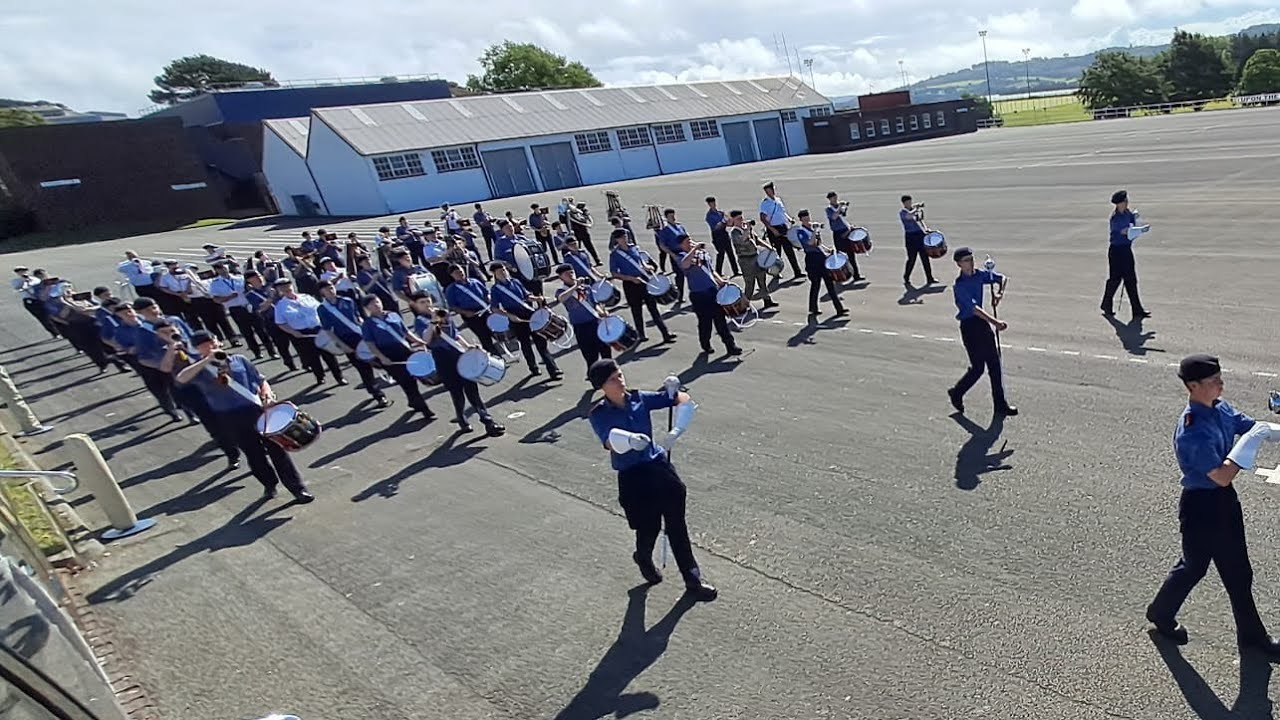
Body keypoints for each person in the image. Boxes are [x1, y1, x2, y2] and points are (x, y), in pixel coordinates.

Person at [1145, 354, 1280, 656]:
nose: (1221, 384)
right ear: (1192, 386)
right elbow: (1220, 475)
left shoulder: (1220, 407)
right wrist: (1240, 456)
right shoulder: (1192, 430)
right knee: (1194, 568)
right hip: (1201, 507)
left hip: (1224, 502)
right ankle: (1161, 612)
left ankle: (1252, 638)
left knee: (1239, 572)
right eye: (1213, 381)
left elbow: (1251, 427)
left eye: (1220, 378)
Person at [585, 359, 717, 601]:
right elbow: (608, 441)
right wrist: (627, 440)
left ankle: (693, 580)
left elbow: (681, 400)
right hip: (633, 477)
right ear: (601, 386)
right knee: (649, 527)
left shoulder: (639, 398)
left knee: (677, 525)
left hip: (658, 467)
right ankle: (643, 556)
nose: (620, 380)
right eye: (613, 379)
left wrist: (674, 400)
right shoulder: (599, 414)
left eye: (620, 374)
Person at [175, 331, 314, 503]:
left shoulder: (239, 360)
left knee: (277, 450)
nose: (211, 345)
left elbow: (260, 380)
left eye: (212, 341)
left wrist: (268, 395)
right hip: (230, 416)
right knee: (254, 454)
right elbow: (181, 379)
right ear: (197, 349)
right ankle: (269, 484)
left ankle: (298, 489)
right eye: (204, 344)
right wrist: (206, 360)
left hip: (256, 410)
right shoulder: (200, 370)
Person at [413, 303, 506, 436]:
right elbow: (426, 340)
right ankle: (462, 418)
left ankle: (488, 422)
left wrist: (468, 346)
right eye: (422, 302)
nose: (427, 305)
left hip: (459, 356)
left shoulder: (443, 313)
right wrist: (433, 321)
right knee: (457, 394)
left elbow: (455, 335)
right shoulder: (420, 321)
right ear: (416, 306)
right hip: (443, 360)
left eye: (428, 301)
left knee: (472, 391)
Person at [946, 247, 1016, 416]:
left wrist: (999, 294)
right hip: (970, 327)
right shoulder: (959, 285)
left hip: (982, 324)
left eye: (971, 258)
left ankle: (1000, 404)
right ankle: (957, 392)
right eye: (966, 260)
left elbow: (1002, 278)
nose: (970, 262)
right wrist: (995, 322)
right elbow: (974, 309)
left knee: (994, 364)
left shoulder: (979, 275)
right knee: (978, 368)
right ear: (959, 264)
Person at [360, 294, 436, 420]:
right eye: (372, 304)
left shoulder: (392, 315)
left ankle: (414, 402)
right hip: (388, 354)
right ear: (367, 308)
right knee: (406, 381)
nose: (377, 305)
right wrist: (381, 357)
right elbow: (370, 344)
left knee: (415, 376)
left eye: (378, 302)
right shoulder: (368, 324)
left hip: (404, 349)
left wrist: (420, 342)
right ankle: (424, 409)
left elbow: (406, 332)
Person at [317, 281, 392, 408]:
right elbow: (328, 330)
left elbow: (358, 318)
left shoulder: (347, 301)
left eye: (331, 287)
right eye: (326, 289)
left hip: (360, 335)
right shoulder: (323, 309)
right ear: (322, 292)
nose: (330, 290)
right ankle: (378, 395)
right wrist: (342, 345)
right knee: (363, 368)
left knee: (380, 359)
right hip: (346, 340)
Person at [488, 262, 562, 380]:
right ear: (494, 274)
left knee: (541, 341)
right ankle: (533, 367)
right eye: (500, 271)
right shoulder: (495, 289)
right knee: (526, 343)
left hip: (529, 313)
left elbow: (526, 296)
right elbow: (494, 308)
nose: (503, 272)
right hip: (515, 316)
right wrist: (509, 315)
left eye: (504, 269)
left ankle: (553, 369)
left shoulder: (516, 282)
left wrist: (536, 298)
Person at [272, 277, 345, 387]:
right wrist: (293, 332)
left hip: (318, 329)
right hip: (303, 334)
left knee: (329, 355)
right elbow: (280, 323)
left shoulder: (306, 297)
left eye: (288, 285)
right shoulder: (280, 306)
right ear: (279, 290)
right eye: (283, 287)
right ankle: (320, 377)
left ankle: (339, 377)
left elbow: (320, 309)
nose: (287, 289)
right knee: (313, 358)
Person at [607, 230, 676, 344]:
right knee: (636, 310)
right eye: (622, 237)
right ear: (617, 240)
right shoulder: (615, 254)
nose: (625, 239)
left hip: (644, 280)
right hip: (630, 284)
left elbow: (640, 262)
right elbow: (614, 274)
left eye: (625, 236)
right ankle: (641, 334)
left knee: (653, 308)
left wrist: (646, 267)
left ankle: (665, 333)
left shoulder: (634, 248)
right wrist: (631, 279)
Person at [678, 236, 743, 356]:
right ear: (681, 245)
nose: (690, 243)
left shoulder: (701, 254)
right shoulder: (682, 256)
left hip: (712, 291)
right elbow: (685, 264)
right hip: (699, 295)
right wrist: (694, 250)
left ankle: (730, 346)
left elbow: (711, 270)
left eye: (690, 240)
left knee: (721, 320)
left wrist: (721, 282)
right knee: (705, 323)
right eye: (687, 242)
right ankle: (705, 344)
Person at [1100, 189, 1150, 320]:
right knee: (1115, 280)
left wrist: (1138, 221)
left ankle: (1137, 310)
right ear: (1119, 204)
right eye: (1125, 201)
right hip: (1116, 251)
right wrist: (1139, 230)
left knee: (1131, 280)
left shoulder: (1128, 213)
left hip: (1126, 250)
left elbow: (1133, 223)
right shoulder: (1115, 218)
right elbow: (1125, 231)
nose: (1127, 202)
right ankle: (1106, 304)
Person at [210, 260, 275, 361]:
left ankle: (272, 352)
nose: (224, 269)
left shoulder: (239, 278)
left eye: (225, 267)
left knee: (261, 329)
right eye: (221, 268)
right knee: (246, 332)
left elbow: (251, 288)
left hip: (249, 305)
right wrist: (229, 297)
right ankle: (256, 352)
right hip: (236, 308)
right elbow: (216, 299)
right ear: (217, 270)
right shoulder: (215, 283)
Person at [553, 264, 612, 373]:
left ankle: (609, 374)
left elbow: (594, 304)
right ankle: (594, 377)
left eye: (572, 272)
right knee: (590, 355)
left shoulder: (586, 288)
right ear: (561, 277)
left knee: (606, 351)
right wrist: (575, 286)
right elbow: (561, 299)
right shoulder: (561, 291)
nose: (570, 275)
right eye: (566, 274)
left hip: (595, 322)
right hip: (581, 326)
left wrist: (602, 312)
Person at [794, 210, 848, 319]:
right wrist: (814, 231)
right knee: (816, 285)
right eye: (804, 218)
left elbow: (818, 244)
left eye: (807, 217)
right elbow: (810, 243)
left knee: (830, 284)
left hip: (821, 257)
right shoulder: (801, 231)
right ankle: (813, 308)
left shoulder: (812, 229)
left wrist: (828, 250)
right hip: (812, 259)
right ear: (801, 220)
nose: (807, 219)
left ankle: (839, 309)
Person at [727, 213, 777, 309]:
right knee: (750, 284)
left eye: (741, 218)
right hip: (745, 260)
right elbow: (742, 240)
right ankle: (744, 305)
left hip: (755, 257)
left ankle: (767, 300)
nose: (741, 220)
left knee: (762, 280)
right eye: (738, 219)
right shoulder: (735, 233)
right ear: (733, 220)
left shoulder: (746, 229)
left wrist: (769, 247)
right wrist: (747, 230)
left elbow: (757, 239)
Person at [758, 181, 803, 280]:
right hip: (773, 228)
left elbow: (782, 212)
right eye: (769, 190)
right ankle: (776, 273)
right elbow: (763, 218)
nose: (772, 191)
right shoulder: (765, 203)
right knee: (777, 253)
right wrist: (772, 229)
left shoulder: (778, 200)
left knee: (789, 250)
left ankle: (797, 272)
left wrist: (789, 219)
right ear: (766, 191)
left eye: (772, 189)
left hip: (783, 227)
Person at [824, 191, 865, 282]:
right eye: (833, 198)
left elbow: (843, 214)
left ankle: (856, 275)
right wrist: (839, 207)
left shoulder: (838, 206)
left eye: (835, 197)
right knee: (840, 256)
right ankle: (840, 275)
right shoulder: (829, 209)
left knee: (851, 255)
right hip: (838, 233)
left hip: (845, 231)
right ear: (829, 199)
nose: (835, 200)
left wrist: (844, 207)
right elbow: (834, 217)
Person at [899, 194, 937, 286]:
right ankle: (906, 277)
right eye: (907, 202)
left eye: (910, 202)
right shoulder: (903, 212)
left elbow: (920, 221)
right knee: (912, 259)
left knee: (925, 257)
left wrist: (926, 229)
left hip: (920, 235)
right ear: (904, 203)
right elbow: (909, 216)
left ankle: (929, 278)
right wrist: (916, 208)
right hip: (910, 237)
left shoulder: (913, 211)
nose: (909, 203)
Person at [12, 266, 58, 339]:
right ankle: (54, 333)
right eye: (19, 271)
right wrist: (24, 281)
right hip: (30, 301)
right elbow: (18, 288)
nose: (22, 272)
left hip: (40, 299)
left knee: (51, 315)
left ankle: (58, 330)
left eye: (23, 271)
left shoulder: (35, 279)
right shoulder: (16, 281)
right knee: (42, 318)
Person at [705, 196, 740, 277]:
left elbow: (729, 224)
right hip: (717, 236)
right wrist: (724, 220)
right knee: (721, 254)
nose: (713, 204)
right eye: (711, 203)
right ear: (709, 204)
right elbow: (716, 227)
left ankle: (736, 271)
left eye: (713, 203)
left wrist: (731, 220)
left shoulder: (720, 213)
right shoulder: (709, 216)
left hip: (724, 234)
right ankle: (718, 272)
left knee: (730, 253)